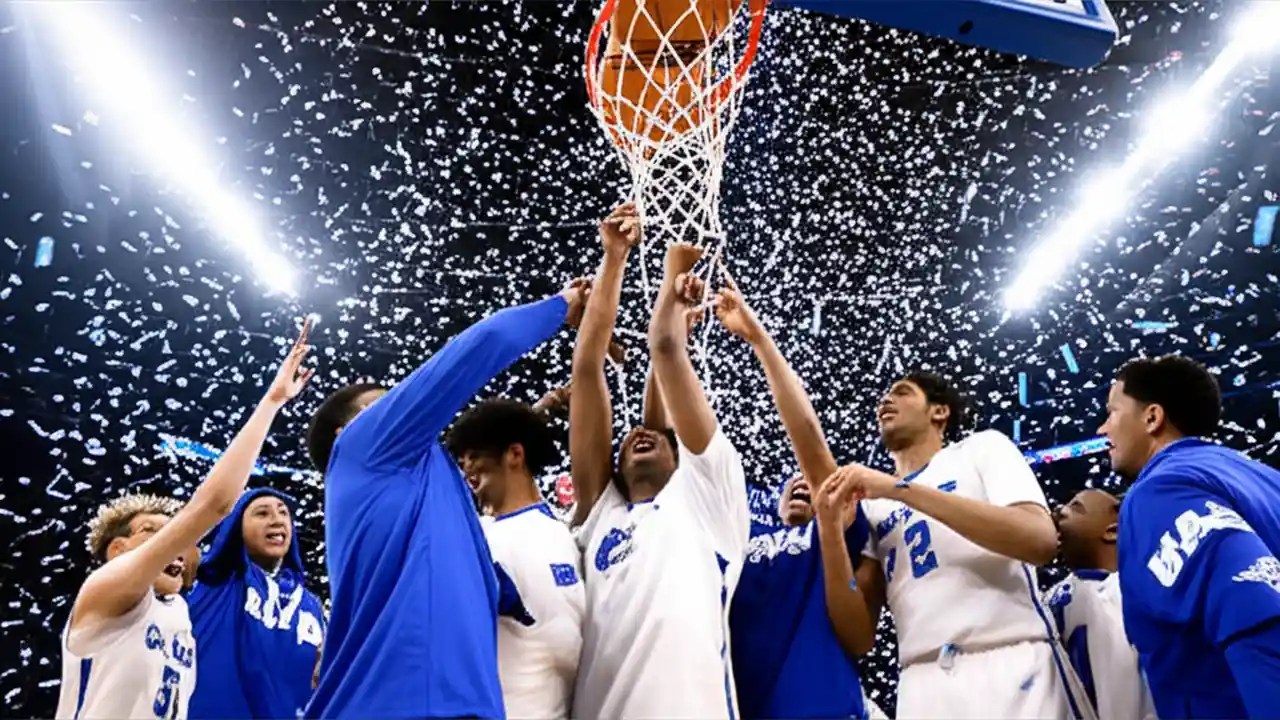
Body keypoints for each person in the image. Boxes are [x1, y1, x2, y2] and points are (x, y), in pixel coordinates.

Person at [303, 276, 588, 719]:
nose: (402, 406)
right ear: (346, 433)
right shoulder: (366, 445)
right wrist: (561, 306)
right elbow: (483, 344)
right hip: (402, 706)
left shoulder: (421, 492)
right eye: (385, 402)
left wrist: (544, 408)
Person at [56, 322, 315, 720]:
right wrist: (271, 402)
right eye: (152, 532)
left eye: (177, 537)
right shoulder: (103, 592)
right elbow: (212, 506)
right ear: (118, 549)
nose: (177, 545)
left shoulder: (179, 612)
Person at [824, 371, 1091, 720]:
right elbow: (859, 637)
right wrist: (828, 527)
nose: (885, 402)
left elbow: (1039, 540)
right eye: (884, 396)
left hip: (1012, 660)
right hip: (921, 682)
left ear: (939, 412)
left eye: (902, 392)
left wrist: (899, 490)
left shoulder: (981, 449)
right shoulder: (874, 507)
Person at [569, 207, 749, 718]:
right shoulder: (599, 514)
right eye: (627, 440)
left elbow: (666, 352)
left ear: (681, 453)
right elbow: (587, 367)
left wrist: (673, 280)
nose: (640, 436)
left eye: (654, 435)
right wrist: (614, 257)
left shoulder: (707, 496)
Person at [714, 275, 870, 720]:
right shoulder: (738, 534)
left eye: (807, 478)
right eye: (790, 482)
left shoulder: (831, 535)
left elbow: (810, 444)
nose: (801, 482)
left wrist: (759, 340)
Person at [1102, 355, 1280, 718]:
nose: (1103, 430)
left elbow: (1255, 605)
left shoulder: (1162, 489)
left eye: (1112, 413)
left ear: (1152, 417)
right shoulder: (1265, 478)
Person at [445, 398, 585, 718]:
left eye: (474, 455)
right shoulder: (471, 535)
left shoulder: (567, 532)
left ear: (515, 455)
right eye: (461, 459)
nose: (466, 466)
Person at [187, 488, 325, 719]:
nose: (277, 519)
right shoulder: (214, 579)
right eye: (262, 513)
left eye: (284, 513)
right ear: (235, 528)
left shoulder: (311, 606)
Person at [1047, 488, 1155, 720]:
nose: (1059, 511)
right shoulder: (1052, 595)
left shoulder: (1130, 591)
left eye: (1075, 507)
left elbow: (1126, 691)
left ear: (1112, 531)